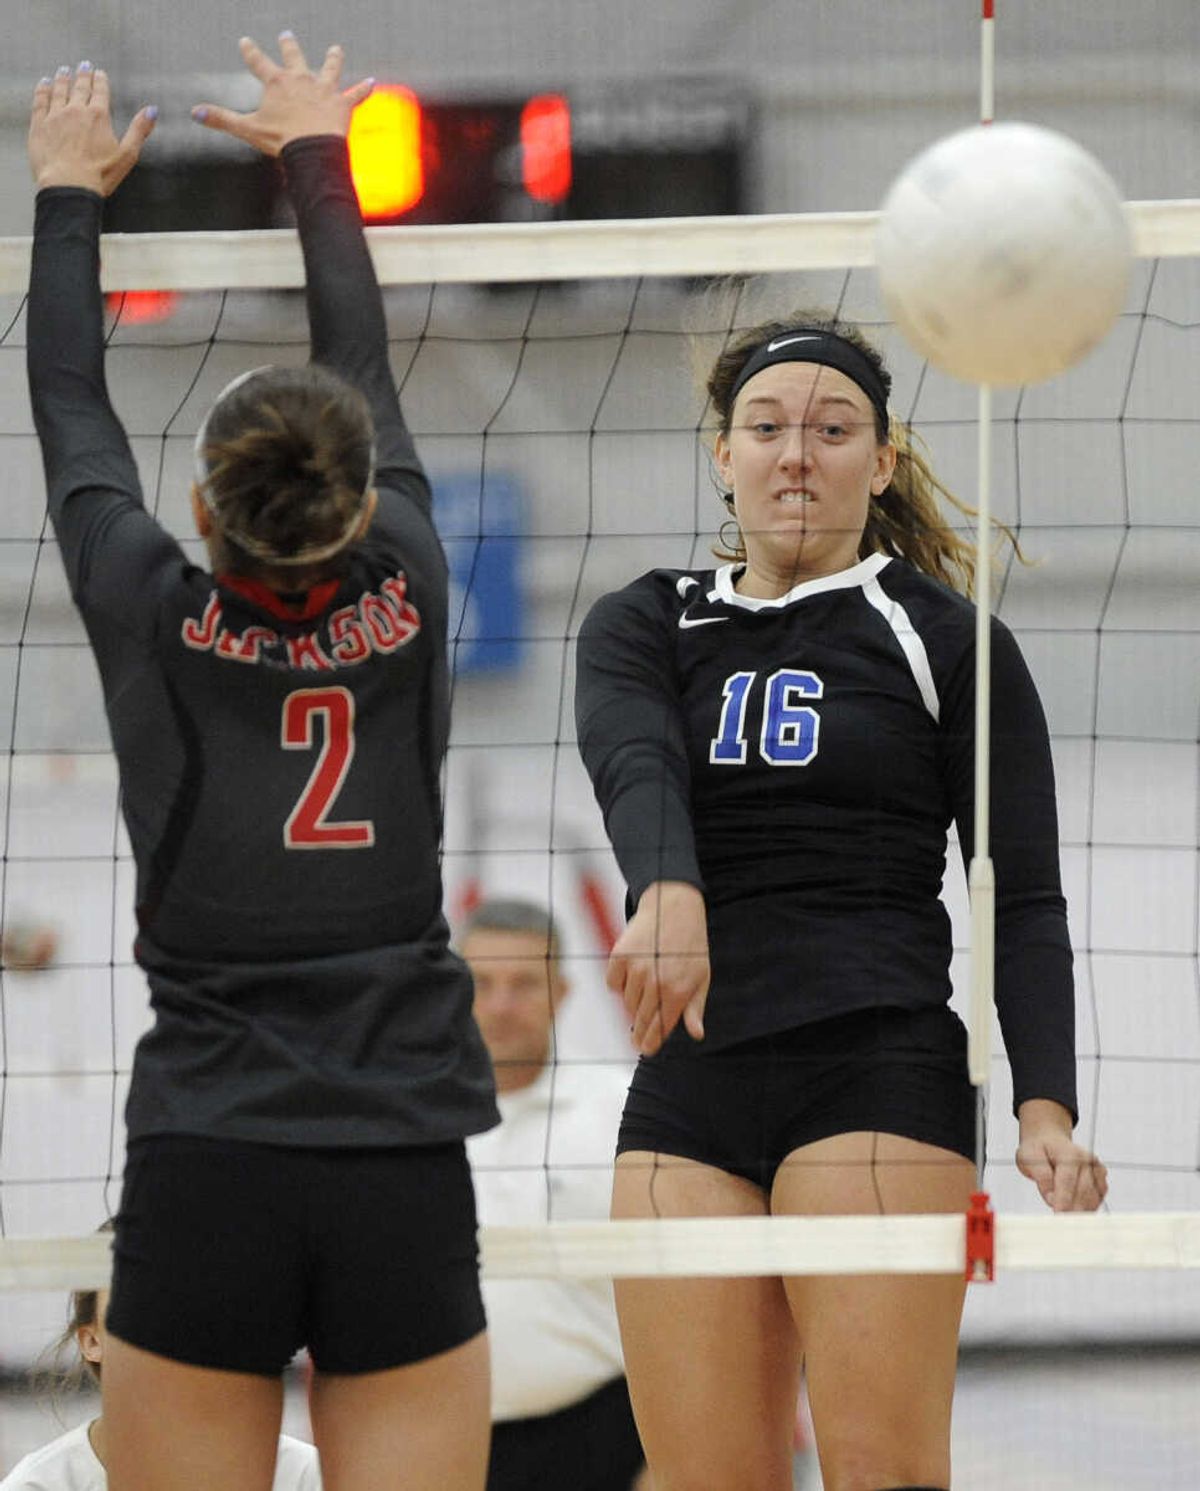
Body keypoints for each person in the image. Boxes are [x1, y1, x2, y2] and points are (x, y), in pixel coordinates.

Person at [26, 33, 497, 1491]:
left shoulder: (147, 606)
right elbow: (359, 355)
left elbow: (69, 409)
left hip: (209, 1148)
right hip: (402, 1148)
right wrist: (316, 148)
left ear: (198, 510)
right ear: (362, 500)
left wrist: (63, 193)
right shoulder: (411, 579)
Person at [573, 312, 1109, 1491]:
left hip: (874, 1071)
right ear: (725, 455)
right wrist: (667, 884)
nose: (796, 453)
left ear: (882, 457)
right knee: (702, 1478)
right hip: (691, 1085)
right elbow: (633, 763)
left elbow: (1022, 900)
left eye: (832, 427)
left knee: (883, 1473)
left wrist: (1047, 1105)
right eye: (765, 427)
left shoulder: (947, 640)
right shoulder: (645, 623)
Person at [459, 899, 649, 1491]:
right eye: (481, 984)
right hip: (443, 1442)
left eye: (523, 984)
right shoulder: (407, 1125)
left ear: (562, 992)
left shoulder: (622, 1114)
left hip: (603, 1441)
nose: (500, 1005)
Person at [1, 1233, 321, 1490]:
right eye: (136, 1300)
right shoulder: (39, 1484)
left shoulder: (304, 1476)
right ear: (92, 1341)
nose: (163, 1325)